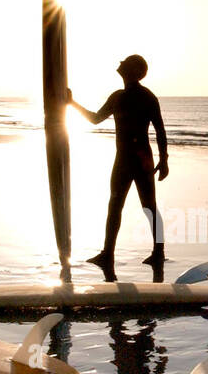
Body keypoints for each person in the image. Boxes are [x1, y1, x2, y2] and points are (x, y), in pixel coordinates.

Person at [68, 54, 168, 267]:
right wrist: (71, 103)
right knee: (122, 206)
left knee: (143, 206)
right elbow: (96, 119)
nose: (120, 63)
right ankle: (109, 253)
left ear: (132, 70)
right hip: (131, 159)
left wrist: (165, 159)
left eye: (125, 62)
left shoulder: (141, 97)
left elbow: (160, 129)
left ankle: (155, 252)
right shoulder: (123, 96)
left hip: (136, 159)